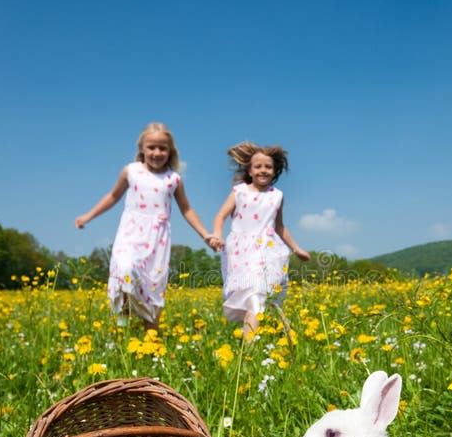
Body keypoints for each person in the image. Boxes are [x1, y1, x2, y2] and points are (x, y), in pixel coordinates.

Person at [75, 122, 214, 330]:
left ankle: (152, 344)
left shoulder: (173, 179)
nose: (157, 153)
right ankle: (123, 320)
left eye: (162, 148)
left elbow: (186, 209)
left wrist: (206, 235)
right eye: (151, 147)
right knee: (125, 268)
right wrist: (89, 216)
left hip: (157, 239)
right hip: (130, 234)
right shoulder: (130, 171)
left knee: (152, 287)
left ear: (170, 151)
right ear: (141, 148)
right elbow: (113, 197)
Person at [210, 141, 310, 339]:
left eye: (268, 167)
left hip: (268, 250)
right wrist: (217, 234)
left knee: (258, 293)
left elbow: (280, 226)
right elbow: (221, 215)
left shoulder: (277, 196)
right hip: (241, 251)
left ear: (275, 171)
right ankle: (254, 340)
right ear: (249, 170)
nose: (263, 170)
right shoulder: (239, 192)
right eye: (258, 166)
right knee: (248, 294)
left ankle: (250, 348)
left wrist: (297, 248)